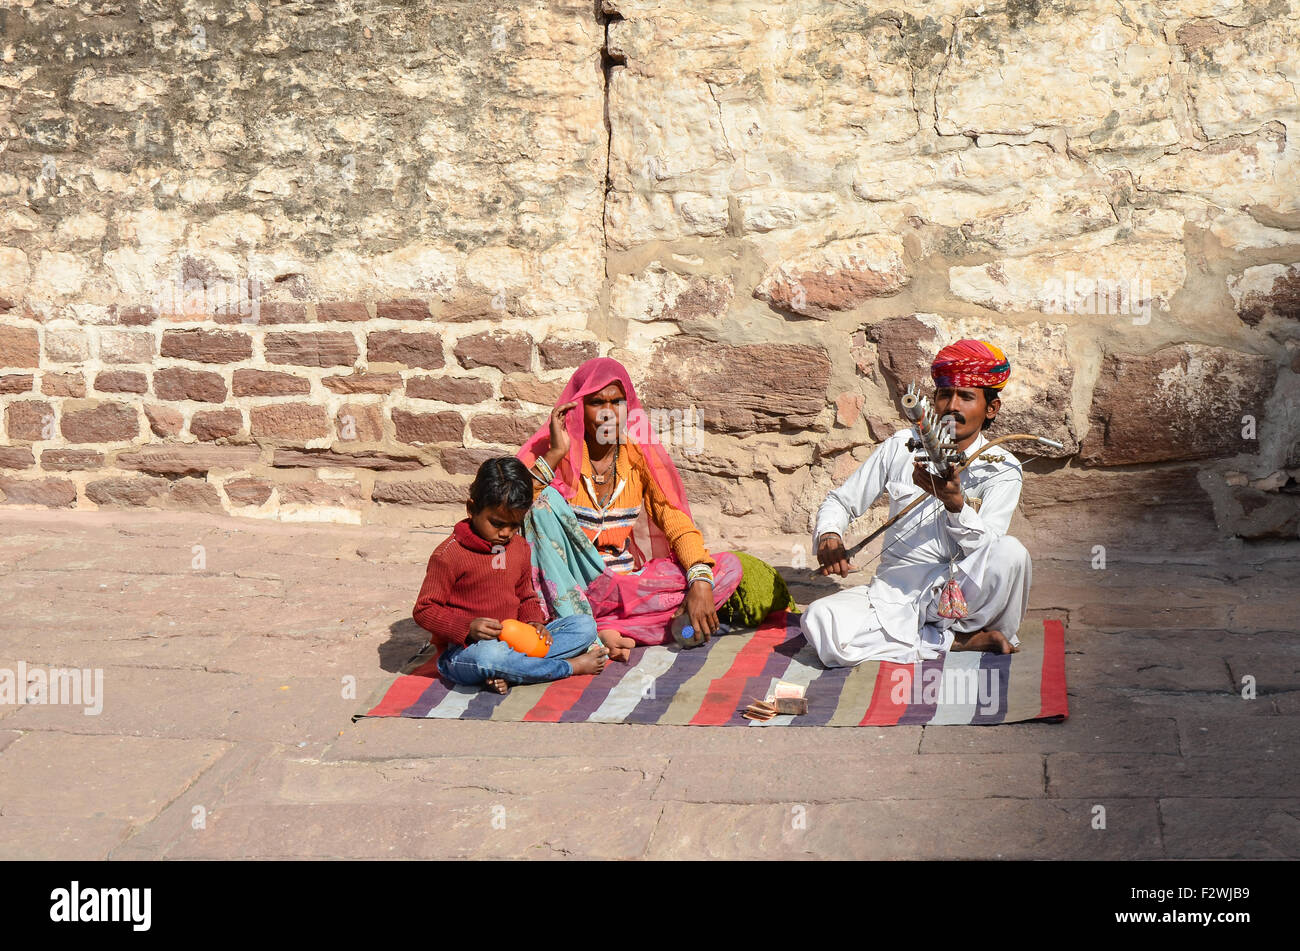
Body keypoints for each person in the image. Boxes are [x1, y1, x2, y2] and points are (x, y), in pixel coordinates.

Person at [801, 339, 1032, 667]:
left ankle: (951, 633)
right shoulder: (901, 446)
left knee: (1013, 554)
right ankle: (950, 642)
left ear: (991, 408)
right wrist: (829, 534)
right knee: (820, 621)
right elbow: (840, 501)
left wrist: (956, 506)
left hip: (965, 594)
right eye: (944, 395)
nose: (952, 406)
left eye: (966, 396)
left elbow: (988, 551)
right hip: (897, 594)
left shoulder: (1003, 467)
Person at [516, 357, 743, 660]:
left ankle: (601, 628)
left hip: (624, 585)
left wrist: (699, 580)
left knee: (727, 568)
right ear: (578, 407)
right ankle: (600, 628)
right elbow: (513, 510)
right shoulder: (552, 453)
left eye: (617, 403)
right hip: (569, 586)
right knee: (543, 505)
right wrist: (556, 454)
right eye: (598, 403)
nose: (609, 414)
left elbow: (674, 518)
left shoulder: (638, 457)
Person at [412, 457, 609, 694]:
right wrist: (467, 627)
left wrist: (534, 623)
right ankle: (567, 667)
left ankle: (512, 672)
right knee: (490, 656)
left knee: (584, 626)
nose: (506, 533)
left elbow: (525, 596)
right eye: (497, 523)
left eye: (514, 525)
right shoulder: (449, 555)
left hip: (515, 645)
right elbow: (425, 610)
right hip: (466, 651)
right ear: (471, 508)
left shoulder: (519, 548)